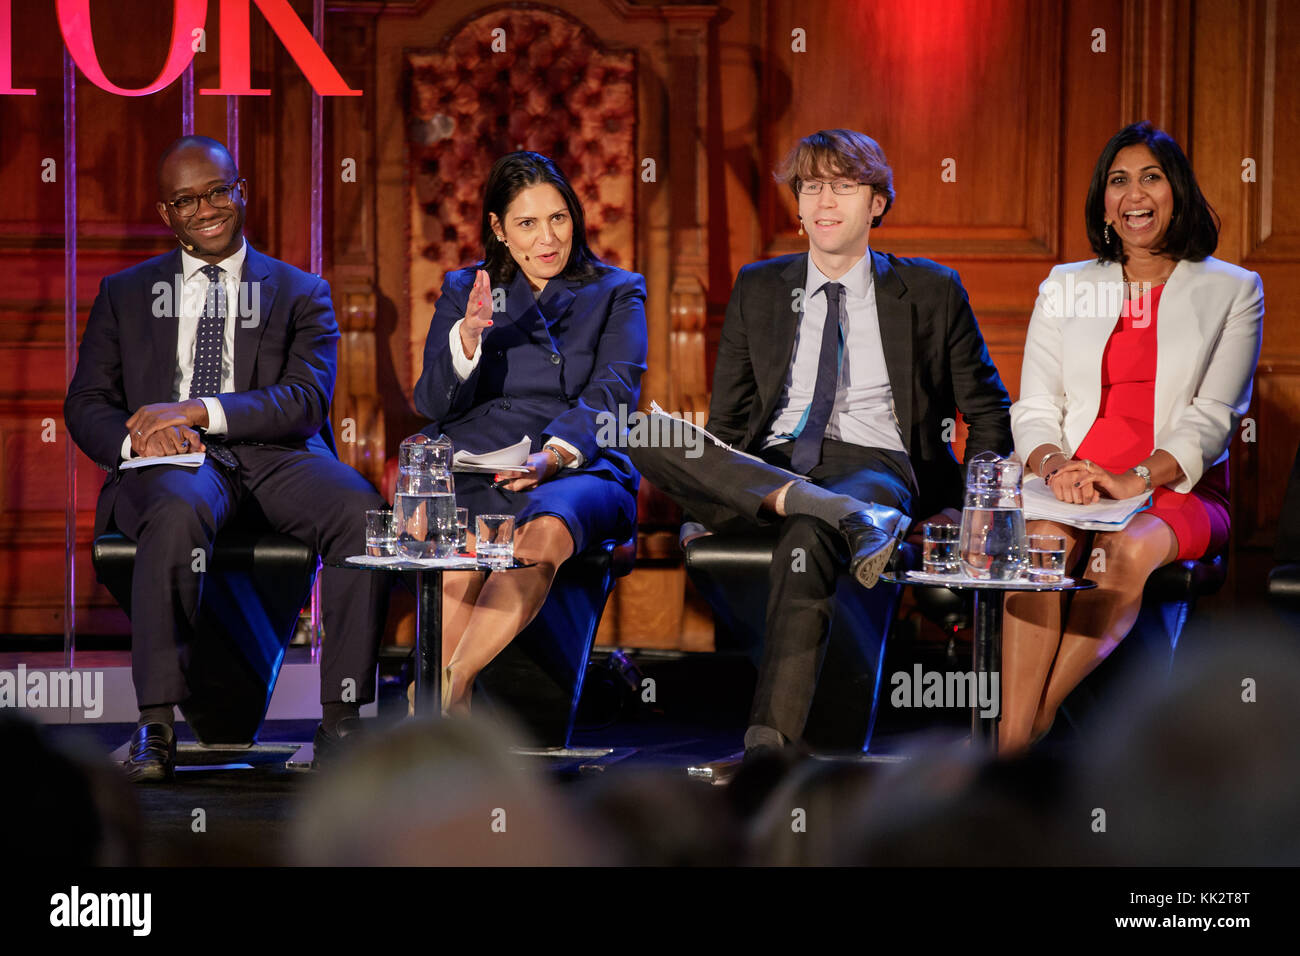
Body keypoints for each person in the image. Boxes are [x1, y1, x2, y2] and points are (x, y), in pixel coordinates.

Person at [628, 129, 1012, 756]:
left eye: (843, 186)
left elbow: (990, 414)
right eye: (811, 187)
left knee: (809, 537)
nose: (825, 201)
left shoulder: (932, 291)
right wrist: (706, 502)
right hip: (768, 466)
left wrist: (970, 511)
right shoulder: (759, 286)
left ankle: (768, 751)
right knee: (639, 430)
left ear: (877, 203)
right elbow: (728, 424)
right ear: (798, 205)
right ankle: (837, 514)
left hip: (874, 465)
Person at [64, 136, 390, 780]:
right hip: (173, 463)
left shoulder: (301, 291)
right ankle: (156, 725)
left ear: (242, 192)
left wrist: (193, 410)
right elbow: (87, 402)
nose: (205, 208)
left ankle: (342, 721)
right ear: (167, 213)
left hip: (276, 453)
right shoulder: (127, 293)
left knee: (363, 512)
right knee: (176, 513)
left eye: (217, 191)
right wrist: (141, 440)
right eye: (186, 199)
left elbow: (303, 401)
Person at [1001, 121, 1265, 753]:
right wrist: (1054, 463)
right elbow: (1035, 402)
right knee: (1040, 544)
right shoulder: (1066, 285)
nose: (1134, 193)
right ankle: (1010, 750)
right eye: (1118, 181)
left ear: (1177, 192)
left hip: (1176, 486)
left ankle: (1032, 726)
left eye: (1151, 177)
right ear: (1104, 205)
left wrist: (1136, 477)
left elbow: (1213, 414)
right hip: (1072, 480)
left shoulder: (1232, 289)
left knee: (1121, 553)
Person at [413, 151, 647, 713]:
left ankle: (450, 690)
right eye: (527, 223)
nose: (548, 238)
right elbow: (431, 401)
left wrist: (552, 457)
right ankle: (444, 716)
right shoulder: (466, 288)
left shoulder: (617, 290)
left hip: (580, 460)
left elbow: (612, 391)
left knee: (542, 534)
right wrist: (465, 342)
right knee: (456, 540)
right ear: (498, 227)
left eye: (558, 218)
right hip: (479, 459)